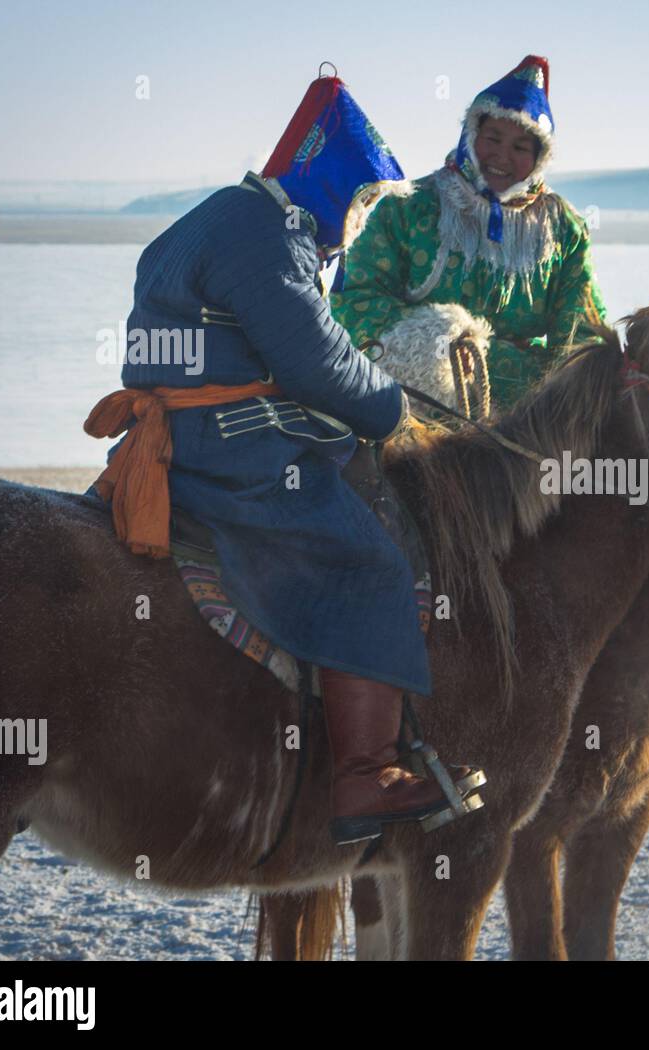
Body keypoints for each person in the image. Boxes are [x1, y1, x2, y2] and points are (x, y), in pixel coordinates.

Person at [82, 71, 477, 846]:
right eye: (361, 202)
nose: (358, 224)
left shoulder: (215, 219)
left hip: (185, 432)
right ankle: (365, 775)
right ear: (330, 182)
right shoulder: (266, 236)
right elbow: (316, 361)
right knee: (369, 561)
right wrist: (396, 407)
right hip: (233, 446)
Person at [332, 55, 607, 414]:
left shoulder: (562, 229)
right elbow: (354, 296)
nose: (502, 157)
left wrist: (573, 390)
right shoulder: (410, 207)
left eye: (520, 148)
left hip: (523, 413)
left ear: (539, 159)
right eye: (492, 138)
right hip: (409, 402)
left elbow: (581, 332)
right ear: (471, 135)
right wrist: (432, 341)